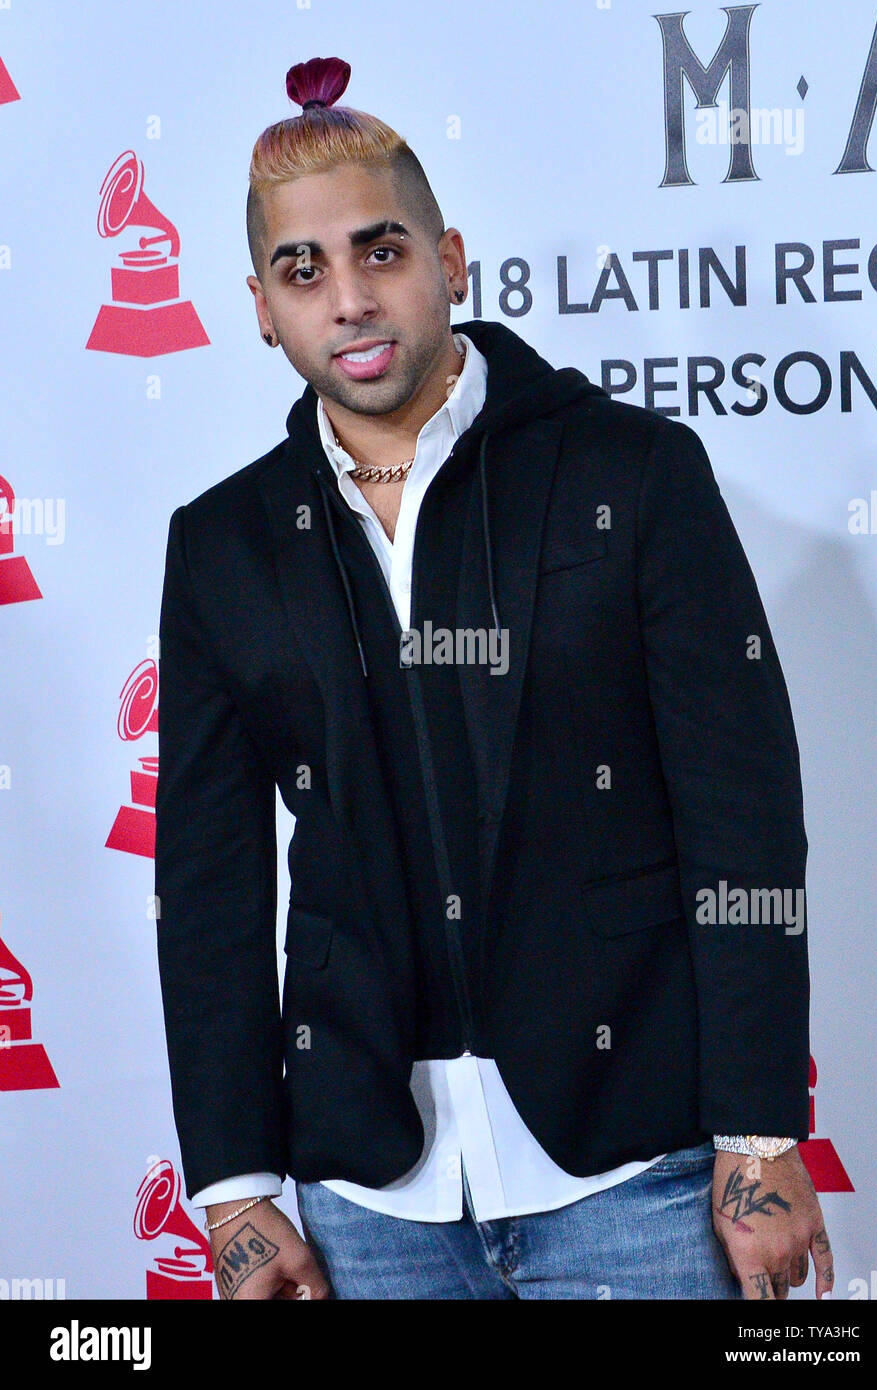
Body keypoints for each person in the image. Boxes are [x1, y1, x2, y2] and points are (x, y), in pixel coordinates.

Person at [154, 56, 833, 1301]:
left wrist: (758, 1139)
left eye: (381, 251)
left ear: (451, 258)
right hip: (368, 1201)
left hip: (636, 1173)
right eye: (305, 272)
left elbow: (742, 824)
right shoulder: (223, 545)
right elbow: (208, 890)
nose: (349, 299)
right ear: (260, 306)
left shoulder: (631, 471)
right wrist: (240, 1191)